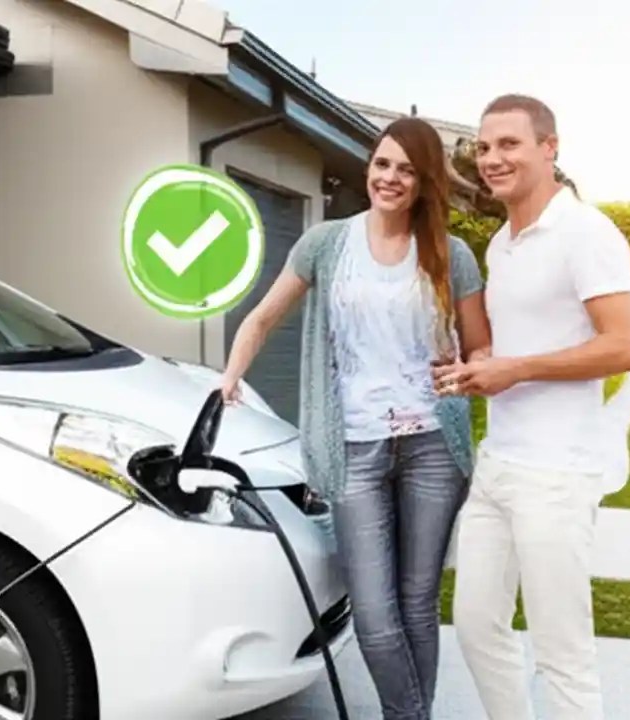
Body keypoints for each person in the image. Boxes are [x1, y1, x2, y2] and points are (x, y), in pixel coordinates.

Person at [220, 116, 490, 720]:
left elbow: (482, 350)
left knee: (417, 603)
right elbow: (262, 318)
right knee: (372, 608)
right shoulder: (325, 244)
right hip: (355, 448)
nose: (390, 178)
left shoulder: (452, 255)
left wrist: (468, 371)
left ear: (424, 184)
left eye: (406, 170)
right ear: (369, 167)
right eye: (382, 164)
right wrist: (231, 373)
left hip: (431, 446)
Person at [433, 94, 630, 719]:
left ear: (549, 148)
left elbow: (627, 345)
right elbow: (521, 343)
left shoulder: (585, 231)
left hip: (557, 474)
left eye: (509, 144)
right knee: (475, 628)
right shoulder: (503, 243)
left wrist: (516, 369)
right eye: (484, 146)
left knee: (562, 652)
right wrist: (478, 366)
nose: (492, 158)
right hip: (499, 464)